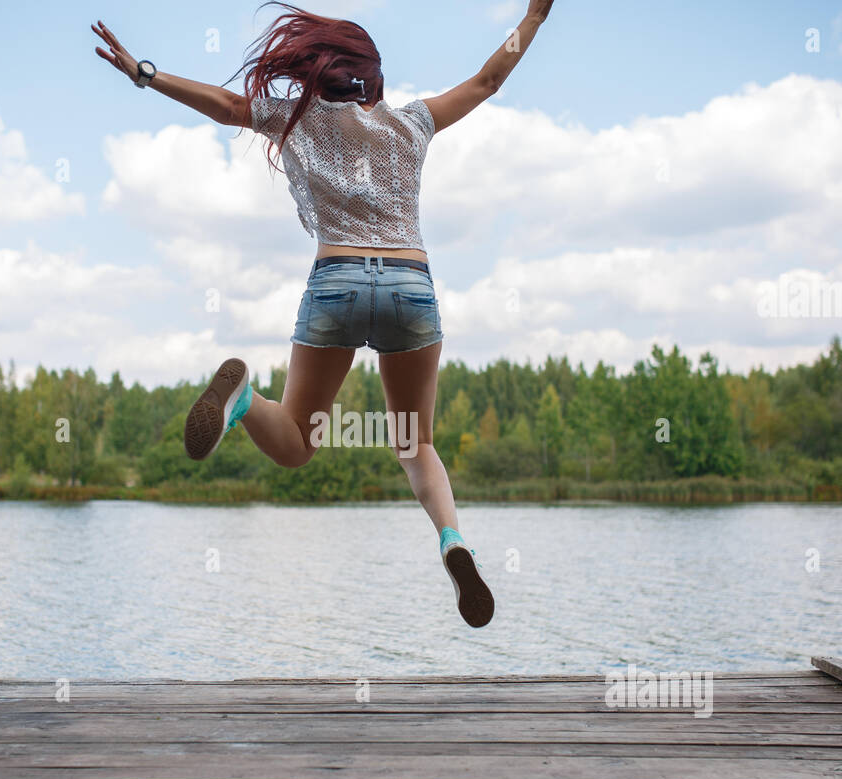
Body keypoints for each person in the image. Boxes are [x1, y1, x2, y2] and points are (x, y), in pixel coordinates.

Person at [92, 2, 551, 626]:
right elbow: (487, 80)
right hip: (409, 286)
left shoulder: (298, 119)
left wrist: (147, 74)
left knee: (294, 446)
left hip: (335, 282)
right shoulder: (413, 123)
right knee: (416, 444)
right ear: (375, 79)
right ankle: (454, 542)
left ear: (322, 74)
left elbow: (227, 107)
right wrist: (534, 15)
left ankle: (243, 401)